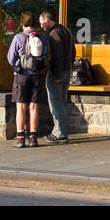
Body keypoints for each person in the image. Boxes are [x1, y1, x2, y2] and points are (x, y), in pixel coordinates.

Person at [6, 11, 48, 147]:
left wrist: (17, 65)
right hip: (37, 75)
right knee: (34, 106)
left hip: (21, 76)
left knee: (21, 106)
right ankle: (33, 137)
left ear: (22, 23)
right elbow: (46, 54)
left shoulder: (18, 38)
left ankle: (20, 137)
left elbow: (10, 58)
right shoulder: (42, 36)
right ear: (34, 23)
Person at [39, 9, 75, 144]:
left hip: (58, 73)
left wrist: (56, 75)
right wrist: (69, 67)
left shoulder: (54, 34)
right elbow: (73, 50)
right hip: (67, 71)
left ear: (48, 21)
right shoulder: (65, 30)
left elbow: (57, 57)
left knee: (55, 103)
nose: (42, 26)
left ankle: (59, 133)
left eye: (42, 23)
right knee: (61, 102)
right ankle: (61, 131)